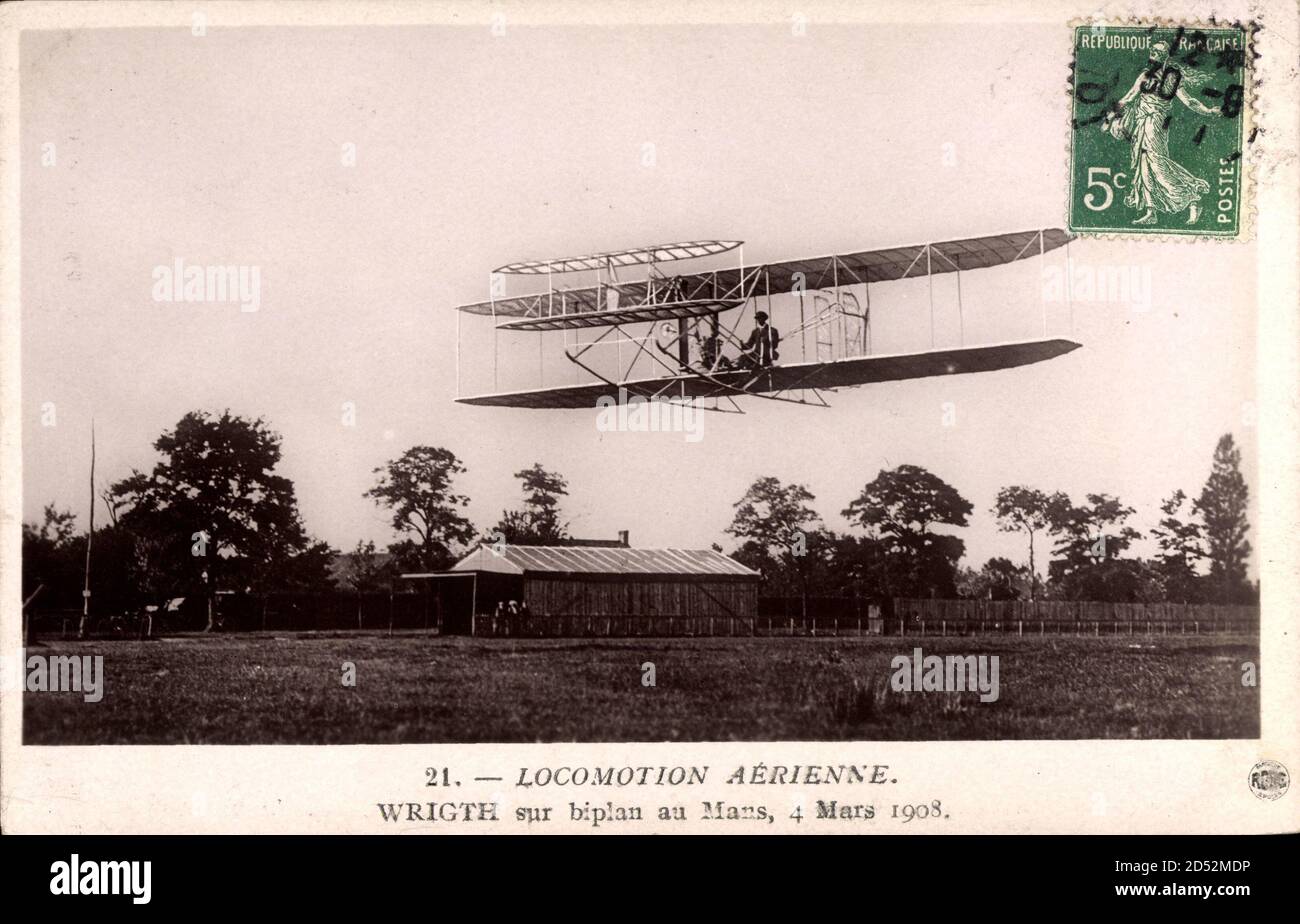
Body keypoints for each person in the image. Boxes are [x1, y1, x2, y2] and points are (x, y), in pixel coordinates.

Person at [1102, 40, 1219, 226]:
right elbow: (1128, 97)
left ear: (1165, 56)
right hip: (1142, 122)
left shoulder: (1172, 78)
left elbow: (1189, 101)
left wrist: (1208, 111)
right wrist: (1110, 117)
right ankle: (1151, 211)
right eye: (1152, 51)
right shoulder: (1144, 75)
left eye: (1158, 52)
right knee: (1143, 164)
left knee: (1156, 163)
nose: (1153, 54)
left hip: (1156, 123)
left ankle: (1192, 197)